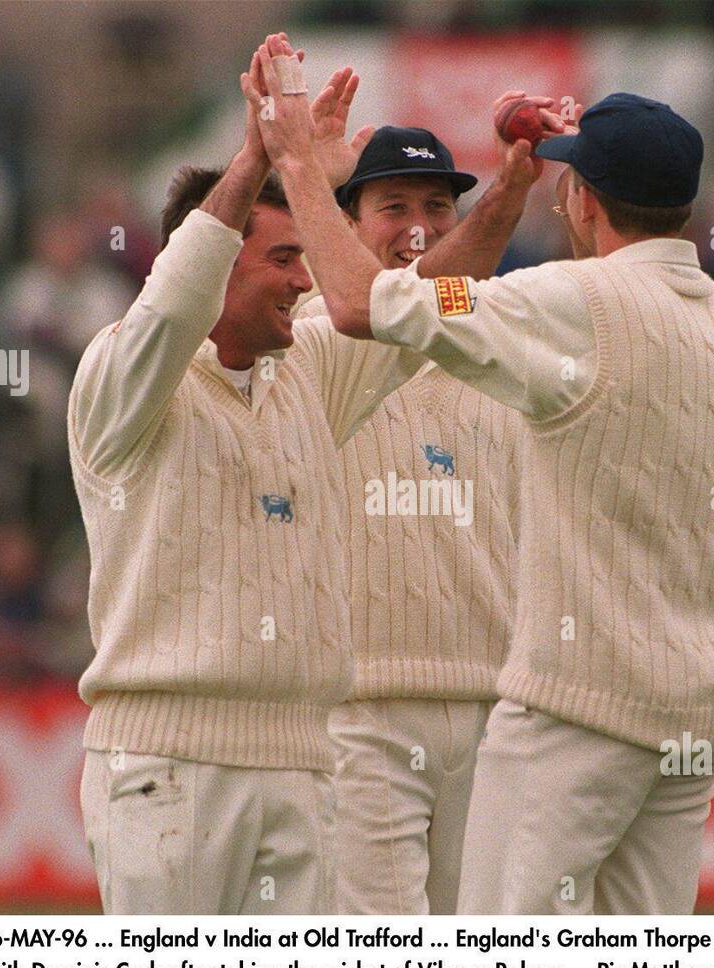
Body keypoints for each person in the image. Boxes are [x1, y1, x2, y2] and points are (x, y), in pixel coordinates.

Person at [254, 35, 714, 915]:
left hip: (576, 708)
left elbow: (368, 306)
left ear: (579, 197)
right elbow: (668, 495)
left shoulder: (563, 304)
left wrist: (299, 164)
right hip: (692, 704)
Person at [72, 42, 549, 914]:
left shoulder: (311, 372)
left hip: (300, 763)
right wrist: (264, 156)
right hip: (169, 768)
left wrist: (509, 193)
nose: (307, 285)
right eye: (283, 261)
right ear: (211, 262)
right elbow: (171, 306)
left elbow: (428, 296)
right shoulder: (123, 380)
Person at [302, 118, 551, 913]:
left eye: (438, 205)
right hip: (363, 708)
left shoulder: (505, 342)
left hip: (492, 709)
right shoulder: (314, 334)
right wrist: (302, 165)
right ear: (346, 224)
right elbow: (357, 304)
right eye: (393, 205)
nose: (418, 226)